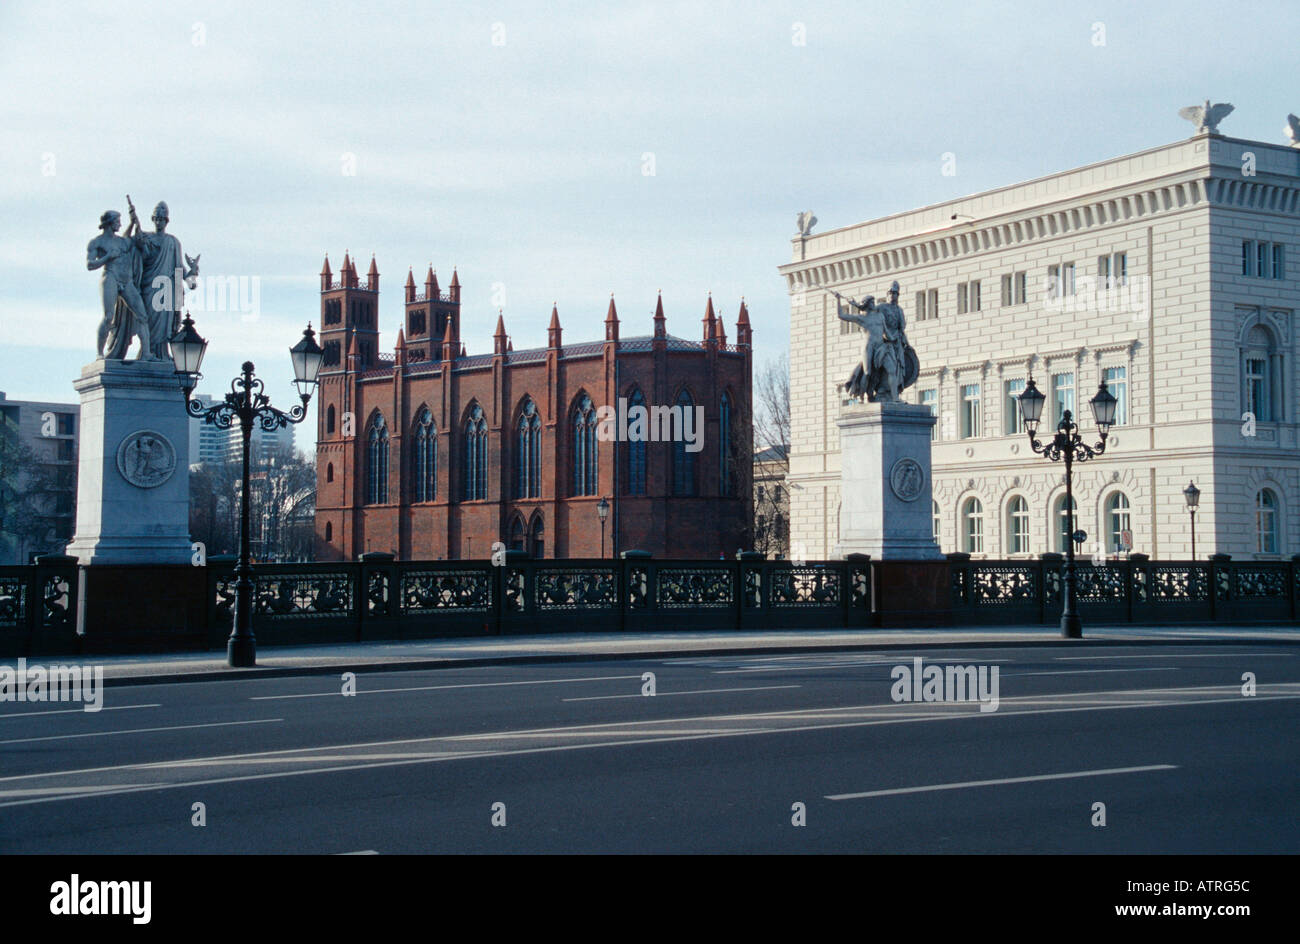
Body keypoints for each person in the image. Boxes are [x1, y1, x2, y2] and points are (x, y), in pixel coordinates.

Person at [86, 210, 154, 360]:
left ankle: (147, 353)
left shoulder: (122, 241)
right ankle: (99, 353)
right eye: (118, 221)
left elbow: (131, 238)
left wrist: (133, 223)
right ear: (109, 223)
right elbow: (90, 265)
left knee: (143, 316)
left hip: (127, 281)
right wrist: (107, 257)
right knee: (108, 317)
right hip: (110, 277)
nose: (120, 224)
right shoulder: (97, 242)